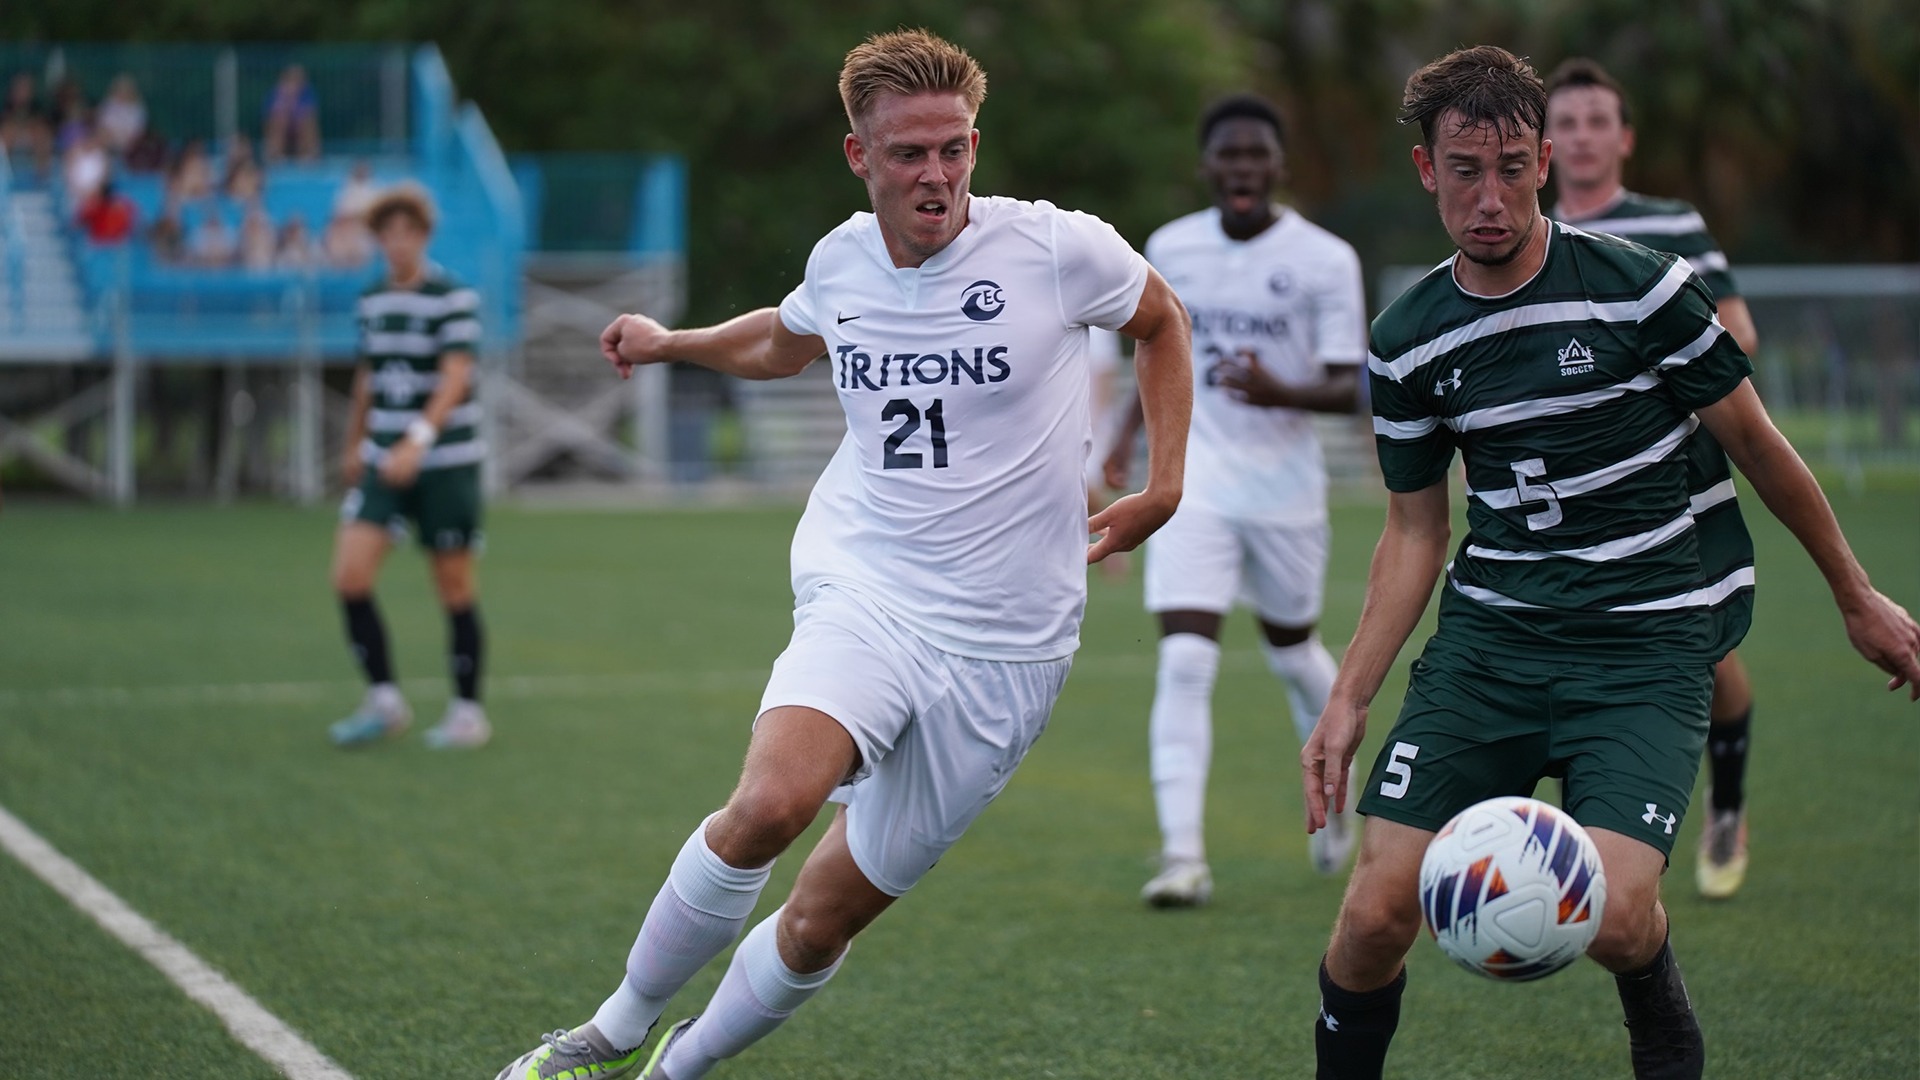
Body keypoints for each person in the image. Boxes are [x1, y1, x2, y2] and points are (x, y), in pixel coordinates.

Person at [493, 28, 1192, 1080]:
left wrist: (1165, 486)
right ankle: (610, 1031)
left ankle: (676, 1071)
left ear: (975, 144)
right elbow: (785, 341)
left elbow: (1163, 320)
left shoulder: (1057, 248)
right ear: (860, 156)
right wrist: (672, 342)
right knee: (770, 805)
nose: (936, 175)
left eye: (954, 149)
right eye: (909, 153)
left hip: (1009, 647)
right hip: (869, 587)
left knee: (821, 921)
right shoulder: (842, 259)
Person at [1300, 45, 1920, 1080]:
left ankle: (1659, 1017)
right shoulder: (1406, 339)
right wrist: (1348, 698)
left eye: (1511, 169)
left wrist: (1855, 597)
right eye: (1464, 171)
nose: (1488, 198)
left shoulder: (1642, 290)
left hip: (1645, 649)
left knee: (1616, 918)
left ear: (1544, 162)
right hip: (1490, 652)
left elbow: (1759, 446)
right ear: (1426, 170)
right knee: (1371, 916)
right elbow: (1414, 531)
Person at [1103, 93, 1368, 907]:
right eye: (1230, 154)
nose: (1243, 167)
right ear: (1208, 166)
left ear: (1278, 166)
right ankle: (1183, 857)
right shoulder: (1170, 246)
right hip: (1196, 482)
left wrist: (1279, 389)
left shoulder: (1325, 258)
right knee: (1186, 659)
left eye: (1258, 154)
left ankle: (1340, 797)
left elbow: (1351, 385)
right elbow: (1155, 348)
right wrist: (1121, 437)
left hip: (1286, 491)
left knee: (1292, 652)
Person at [1544, 57, 1762, 900]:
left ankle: (1726, 807)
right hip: (1568, 494)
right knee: (1571, 646)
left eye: (1598, 121)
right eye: (1567, 123)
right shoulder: (1526, 235)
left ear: (1624, 138)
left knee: (1704, 648)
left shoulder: (1671, 225)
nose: (1583, 137)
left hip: (1675, 479)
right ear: (1545, 144)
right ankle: (1587, 832)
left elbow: (1737, 332)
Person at [328, 183, 491, 751]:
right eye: (388, 233)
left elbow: (455, 377)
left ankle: (467, 713)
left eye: (409, 232)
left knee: (453, 585)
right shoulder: (372, 299)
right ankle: (384, 701)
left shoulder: (452, 297)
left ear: (424, 235)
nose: (398, 242)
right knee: (349, 576)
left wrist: (417, 440)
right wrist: (355, 442)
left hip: (446, 462)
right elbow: (368, 377)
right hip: (384, 460)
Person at [262, 64, 320, 162]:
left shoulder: (307, 94)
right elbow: (268, 119)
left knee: (307, 122)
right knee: (280, 120)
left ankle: (308, 154)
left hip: (298, 127)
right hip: (282, 127)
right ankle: (275, 154)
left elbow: (311, 116)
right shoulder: (276, 95)